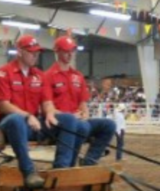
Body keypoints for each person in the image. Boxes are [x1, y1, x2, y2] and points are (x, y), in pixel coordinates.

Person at [0, 35, 80, 189]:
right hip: (6, 125)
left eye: (37, 52)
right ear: (19, 51)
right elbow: (4, 106)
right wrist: (28, 116)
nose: (35, 55)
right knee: (15, 120)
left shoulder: (40, 75)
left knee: (69, 120)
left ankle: (61, 169)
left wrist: (51, 114)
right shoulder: (3, 73)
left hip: (31, 125)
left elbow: (46, 102)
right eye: (31, 52)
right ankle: (28, 171)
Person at [42, 36, 116, 167]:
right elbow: (48, 107)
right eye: (66, 51)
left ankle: (89, 161)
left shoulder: (78, 76)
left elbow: (83, 103)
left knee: (109, 125)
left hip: (77, 120)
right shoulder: (48, 76)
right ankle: (65, 166)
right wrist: (71, 117)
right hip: (60, 122)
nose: (70, 54)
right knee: (79, 125)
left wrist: (84, 114)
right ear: (57, 52)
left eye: (72, 50)